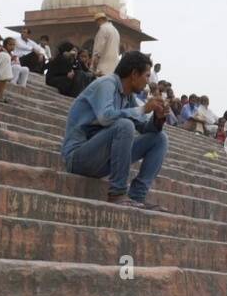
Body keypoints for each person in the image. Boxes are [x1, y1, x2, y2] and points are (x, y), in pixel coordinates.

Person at [61, 51, 168, 210]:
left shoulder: (128, 96)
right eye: (146, 76)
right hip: (78, 158)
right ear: (134, 74)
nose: (147, 82)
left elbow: (145, 128)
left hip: (102, 160)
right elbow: (105, 117)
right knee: (125, 125)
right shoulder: (106, 84)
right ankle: (117, 193)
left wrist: (158, 117)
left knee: (160, 139)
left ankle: (136, 196)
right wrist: (142, 109)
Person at [91, 12, 121, 77]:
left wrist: (93, 70)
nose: (96, 25)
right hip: (114, 69)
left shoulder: (103, 29)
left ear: (99, 20)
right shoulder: (115, 30)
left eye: (96, 22)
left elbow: (98, 52)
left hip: (102, 70)